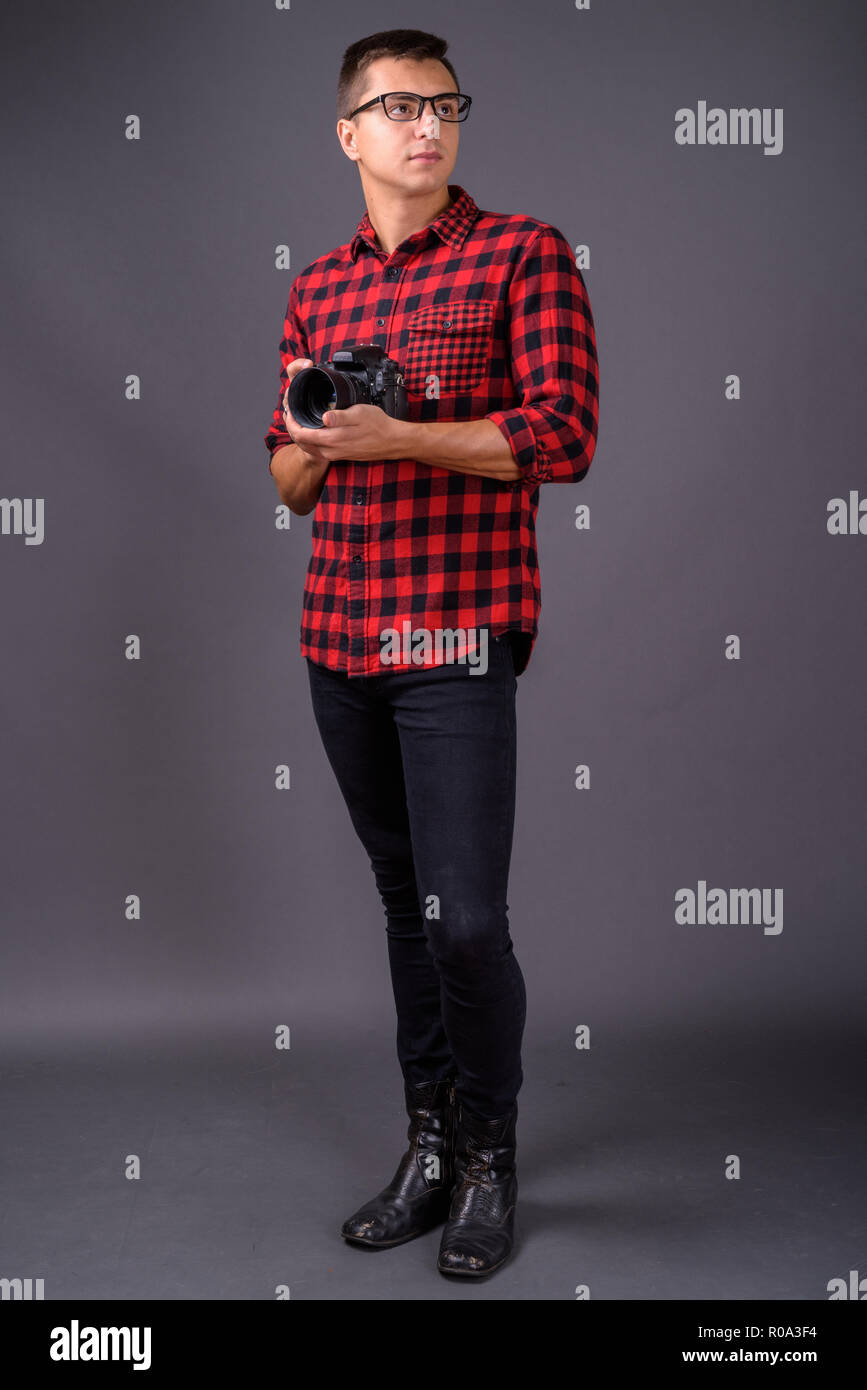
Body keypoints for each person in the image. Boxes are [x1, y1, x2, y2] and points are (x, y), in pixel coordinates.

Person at [264, 27, 599, 1279]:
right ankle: (427, 1145)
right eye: (397, 106)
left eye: (444, 103)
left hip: (456, 630)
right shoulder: (319, 283)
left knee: (466, 920)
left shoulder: (525, 252)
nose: (427, 125)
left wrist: (403, 431)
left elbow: (562, 433)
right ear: (348, 134)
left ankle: (492, 1152)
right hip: (338, 631)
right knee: (406, 908)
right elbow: (290, 476)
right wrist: (321, 431)